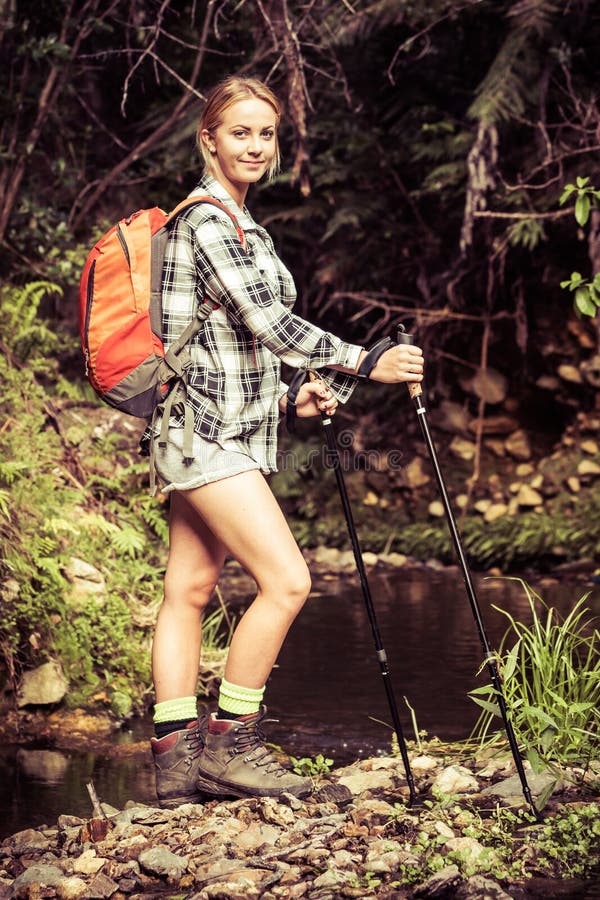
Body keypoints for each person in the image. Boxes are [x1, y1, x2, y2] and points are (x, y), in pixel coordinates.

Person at [147, 74, 425, 809]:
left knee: (190, 590)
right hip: (207, 437)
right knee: (289, 581)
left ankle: (173, 764)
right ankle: (230, 748)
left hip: (208, 425)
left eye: (265, 134)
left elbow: (222, 348)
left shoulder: (238, 225)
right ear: (208, 139)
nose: (255, 146)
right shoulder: (206, 223)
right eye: (240, 132)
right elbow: (272, 325)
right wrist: (365, 360)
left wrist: (287, 397)